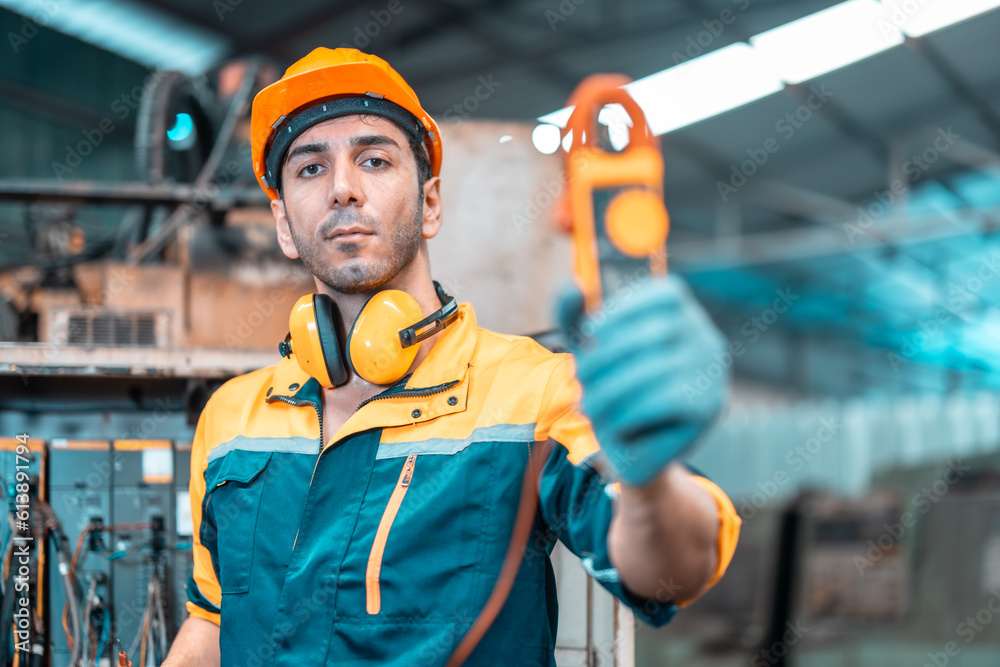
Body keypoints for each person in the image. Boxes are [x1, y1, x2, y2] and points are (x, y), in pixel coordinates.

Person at [162, 47, 741, 667]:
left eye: (374, 159)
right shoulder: (232, 418)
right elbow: (212, 623)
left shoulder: (533, 393)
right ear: (283, 222)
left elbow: (670, 574)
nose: (343, 189)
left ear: (431, 202)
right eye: (308, 169)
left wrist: (652, 480)